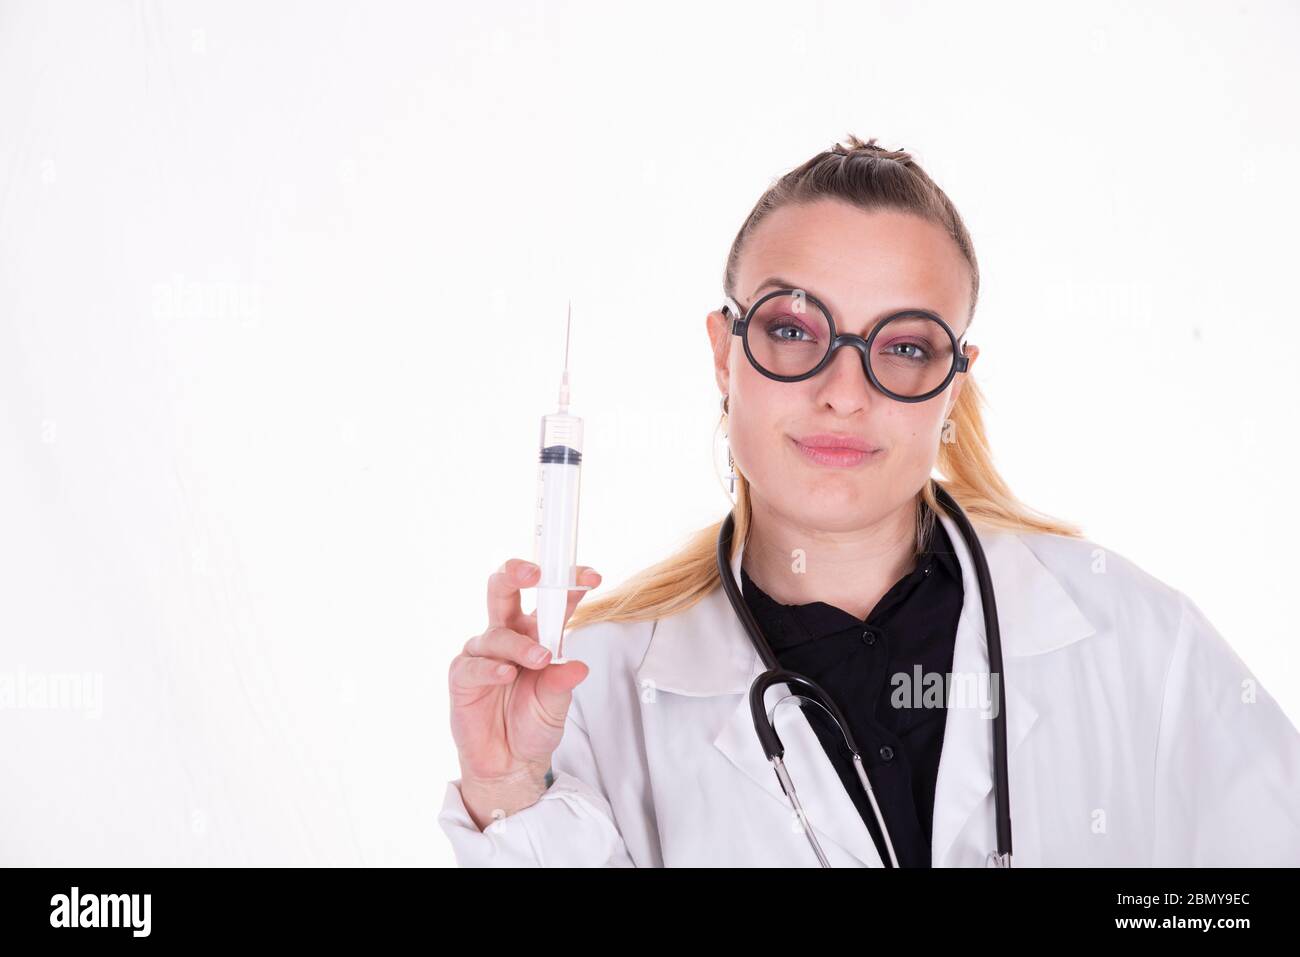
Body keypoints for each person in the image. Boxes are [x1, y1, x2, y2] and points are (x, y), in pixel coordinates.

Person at [438, 135, 1300, 867]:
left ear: (953, 385)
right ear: (722, 353)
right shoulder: (590, 691)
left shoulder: (1132, 635)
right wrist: (509, 790)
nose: (845, 391)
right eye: (792, 330)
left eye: (905, 346)